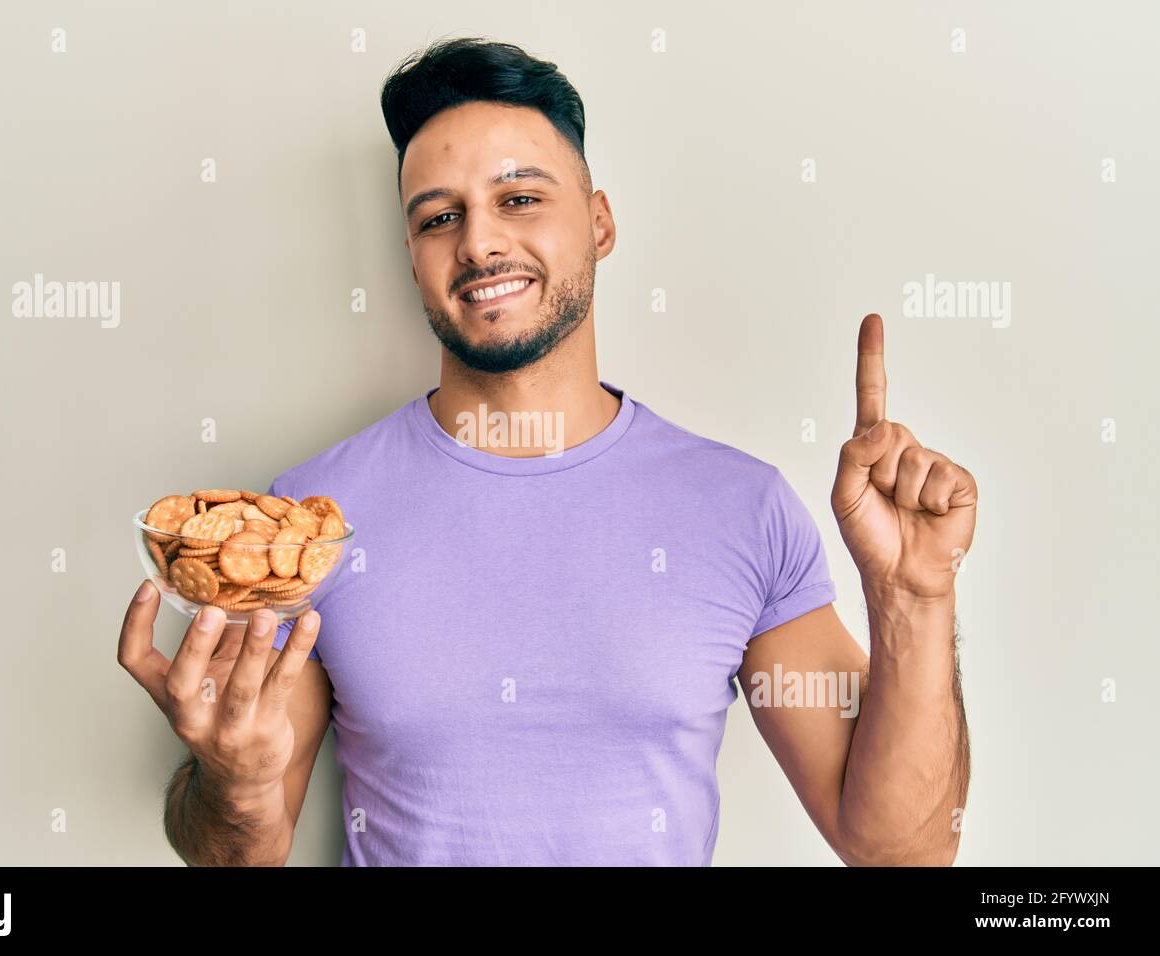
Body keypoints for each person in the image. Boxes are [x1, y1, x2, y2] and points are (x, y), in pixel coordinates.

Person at [118, 36, 977, 867]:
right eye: (439, 217)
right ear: (412, 258)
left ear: (600, 223)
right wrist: (234, 782)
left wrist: (912, 599)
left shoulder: (739, 508)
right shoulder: (314, 521)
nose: (480, 243)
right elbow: (239, 857)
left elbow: (902, 850)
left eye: (520, 198)